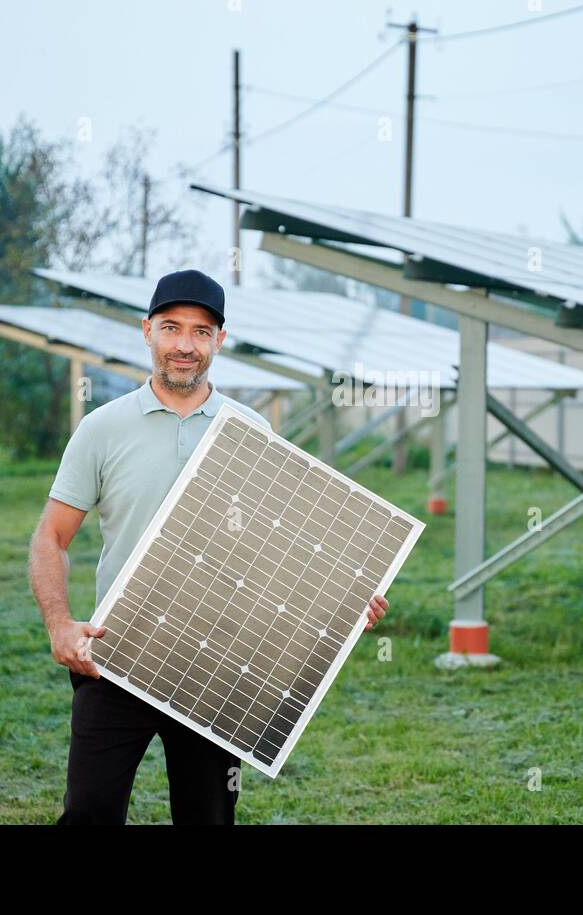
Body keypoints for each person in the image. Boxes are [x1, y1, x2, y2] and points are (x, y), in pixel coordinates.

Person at [28, 269, 389, 824]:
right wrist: (59, 624)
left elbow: (286, 546)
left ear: (219, 341)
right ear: (146, 330)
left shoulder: (249, 432)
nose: (184, 345)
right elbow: (51, 537)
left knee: (208, 818)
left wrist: (341, 601)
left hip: (217, 663)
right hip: (115, 652)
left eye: (201, 332)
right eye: (172, 328)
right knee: (89, 815)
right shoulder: (102, 429)